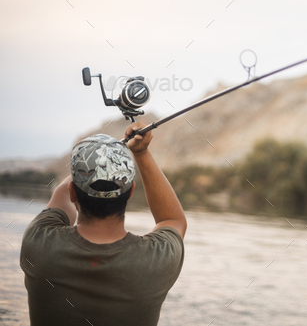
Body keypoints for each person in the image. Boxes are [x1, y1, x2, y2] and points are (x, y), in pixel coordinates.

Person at [19, 122, 187, 326]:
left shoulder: (38, 243)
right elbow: (172, 219)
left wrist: (97, 155)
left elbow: (61, 195)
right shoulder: (158, 258)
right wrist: (141, 154)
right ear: (131, 192)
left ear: (73, 191)